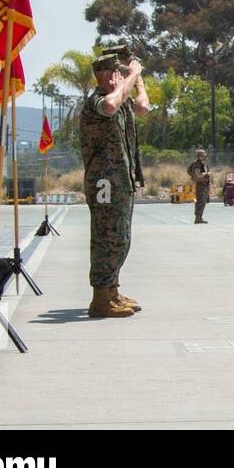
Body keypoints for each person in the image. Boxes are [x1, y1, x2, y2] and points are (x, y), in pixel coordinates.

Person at [80, 53, 150, 317]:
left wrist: (138, 79)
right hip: (104, 183)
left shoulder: (121, 99)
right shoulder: (98, 101)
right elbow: (109, 106)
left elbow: (143, 107)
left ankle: (111, 290)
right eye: (120, 73)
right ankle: (100, 299)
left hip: (120, 180)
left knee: (120, 238)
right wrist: (130, 77)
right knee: (106, 238)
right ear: (109, 75)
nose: (125, 78)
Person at [187, 149, 211, 223]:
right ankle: (198, 218)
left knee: (203, 202)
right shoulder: (197, 164)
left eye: (204, 155)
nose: (204, 157)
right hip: (200, 185)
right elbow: (198, 175)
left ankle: (199, 217)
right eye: (202, 156)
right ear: (198, 156)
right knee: (200, 201)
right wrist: (206, 173)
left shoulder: (203, 163)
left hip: (205, 184)